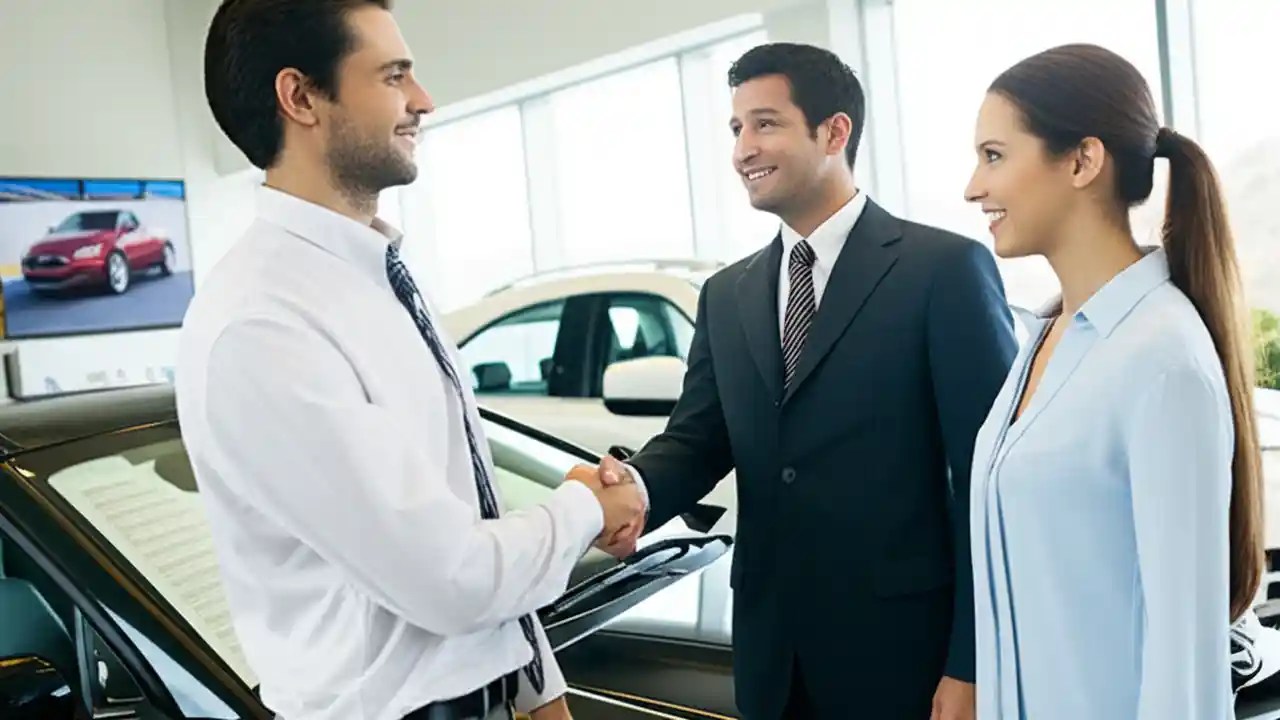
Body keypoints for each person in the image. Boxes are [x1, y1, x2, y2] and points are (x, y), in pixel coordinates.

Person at [178, 2, 644, 719]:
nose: (423, 101)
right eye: (394, 76)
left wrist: (540, 693)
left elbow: (469, 520)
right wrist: (586, 506)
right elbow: (452, 578)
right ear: (300, 97)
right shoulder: (260, 323)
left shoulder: (379, 274)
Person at [592, 42, 1019, 719]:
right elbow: (699, 440)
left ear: (834, 132)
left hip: (902, 654)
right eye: (736, 129)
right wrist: (633, 488)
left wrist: (971, 664)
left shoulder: (943, 271)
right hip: (771, 654)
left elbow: (990, 486)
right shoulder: (726, 294)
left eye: (765, 124)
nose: (742, 149)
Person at [962, 43, 1265, 720]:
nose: (974, 187)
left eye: (994, 156)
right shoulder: (1045, 336)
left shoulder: (1162, 358)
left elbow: (1185, 666)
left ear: (1082, 160)